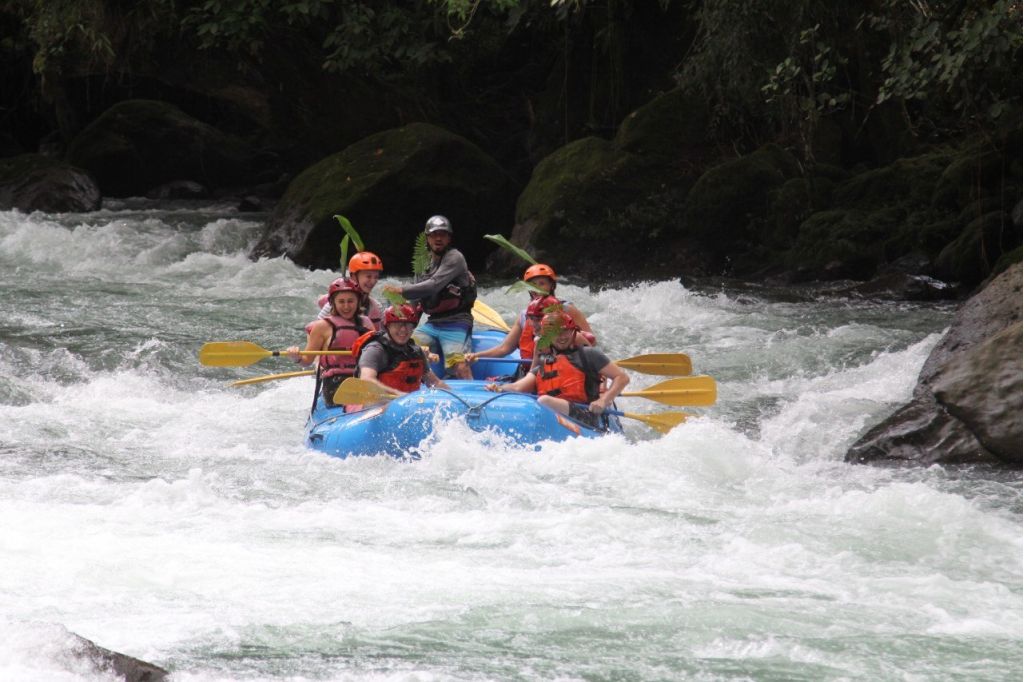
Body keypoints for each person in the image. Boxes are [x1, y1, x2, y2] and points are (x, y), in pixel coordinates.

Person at [484, 312, 629, 429]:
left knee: (544, 400)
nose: (562, 336)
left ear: (573, 332)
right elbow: (519, 387)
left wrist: (604, 400)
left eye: (566, 331)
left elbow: (622, 377)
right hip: (554, 414)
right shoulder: (544, 360)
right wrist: (500, 388)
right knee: (540, 401)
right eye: (555, 333)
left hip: (586, 415)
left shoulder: (588, 354)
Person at [382, 215, 476, 379]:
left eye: (443, 234)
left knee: (458, 365)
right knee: (405, 351)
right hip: (432, 324)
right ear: (428, 238)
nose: (438, 238)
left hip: (457, 322)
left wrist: (401, 290)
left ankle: (472, 401)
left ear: (449, 238)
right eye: (434, 235)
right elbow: (416, 301)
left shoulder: (455, 258)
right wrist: (407, 326)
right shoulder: (424, 263)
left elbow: (433, 285)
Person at [465, 264, 595, 373]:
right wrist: (476, 356)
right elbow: (504, 349)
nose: (536, 288)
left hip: (563, 371)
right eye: (532, 285)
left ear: (552, 286)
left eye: (542, 283)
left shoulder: (566, 309)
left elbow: (591, 342)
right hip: (532, 371)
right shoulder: (524, 315)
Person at [287, 278, 374, 407]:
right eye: (341, 302)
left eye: (350, 301)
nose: (346, 306)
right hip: (335, 382)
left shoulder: (366, 323)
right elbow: (307, 361)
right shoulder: (322, 327)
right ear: (333, 303)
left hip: (361, 379)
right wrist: (296, 357)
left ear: (358, 301)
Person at [353, 303, 449, 397]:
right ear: (388, 327)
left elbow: (434, 382)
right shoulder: (375, 350)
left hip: (406, 404)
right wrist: (399, 395)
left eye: (408, 325)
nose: (403, 329)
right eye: (397, 324)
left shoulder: (416, 351)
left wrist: (455, 396)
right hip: (376, 405)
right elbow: (366, 380)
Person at [318, 251, 385, 330]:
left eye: (376, 277)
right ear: (353, 276)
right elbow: (314, 332)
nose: (373, 281)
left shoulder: (378, 306)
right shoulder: (333, 305)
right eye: (368, 276)